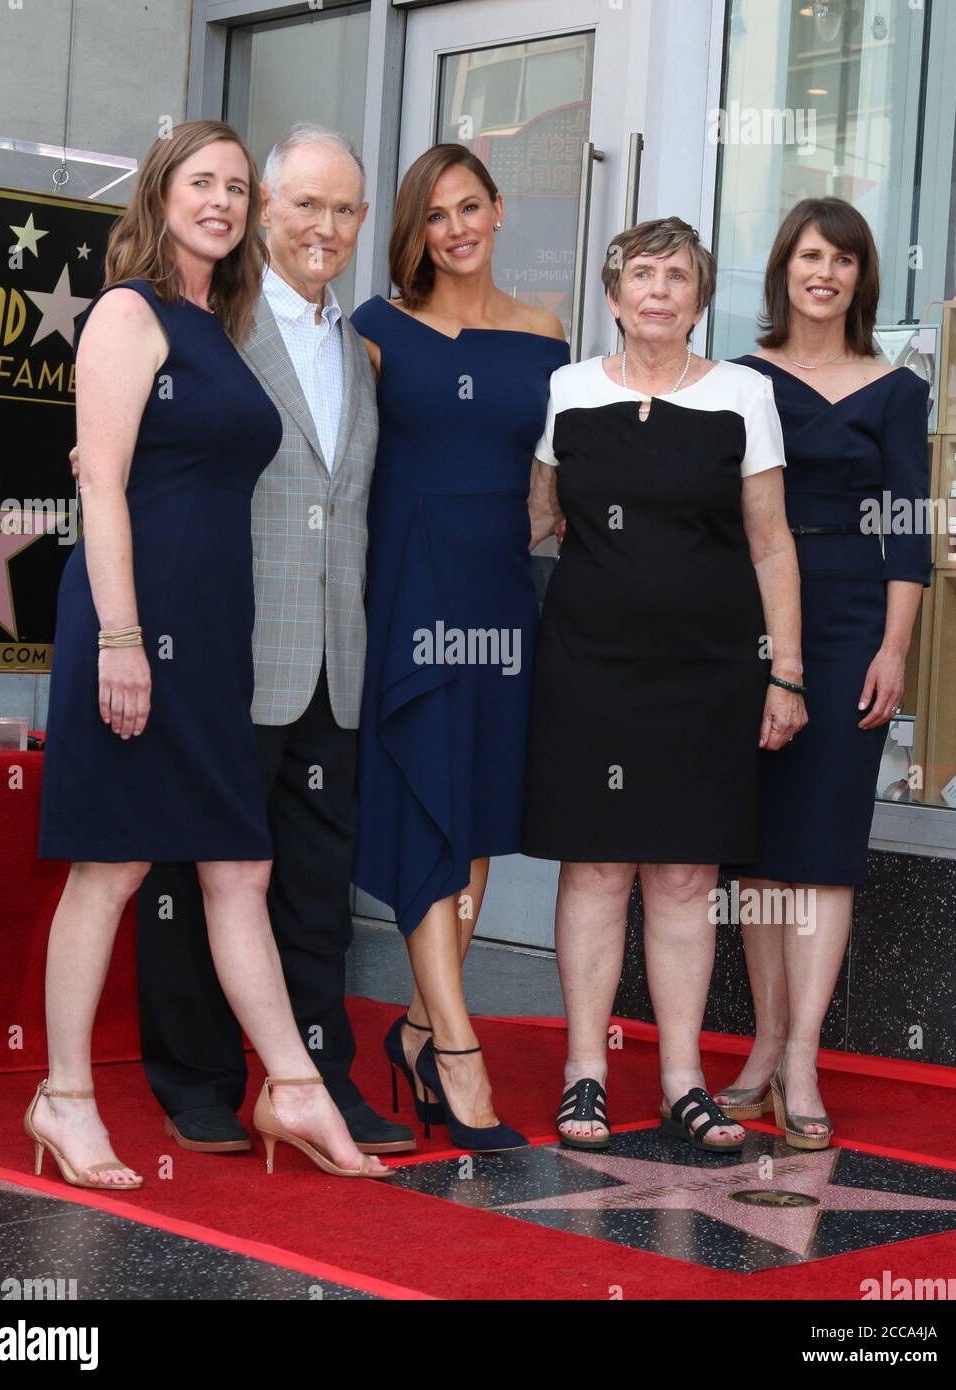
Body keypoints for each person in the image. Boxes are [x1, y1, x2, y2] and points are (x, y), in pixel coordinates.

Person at [34, 119, 390, 1187]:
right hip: (133, 627)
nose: (223, 203)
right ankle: (63, 1096)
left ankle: (291, 1085)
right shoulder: (129, 313)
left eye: (237, 187)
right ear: (160, 193)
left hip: (216, 638)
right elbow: (99, 483)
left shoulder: (221, 321)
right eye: (204, 183)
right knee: (112, 867)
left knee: (241, 864)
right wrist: (122, 637)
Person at [129, 124, 413, 1158]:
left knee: (312, 894)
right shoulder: (213, 328)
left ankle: (316, 1078)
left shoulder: (360, 347)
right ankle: (195, 1080)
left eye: (343, 210)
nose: (323, 228)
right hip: (226, 649)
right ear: (264, 211)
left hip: (334, 662)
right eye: (302, 205)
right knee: (192, 876)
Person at [522, 218, 806, 1152]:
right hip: (590, 668)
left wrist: (786, 672)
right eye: (640, 275)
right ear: (612, 297)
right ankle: (585, 1076)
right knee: (597, 866)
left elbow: (770, 540)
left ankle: (684, 1081)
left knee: (685, 872)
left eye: (676, 277)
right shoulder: (567, 390)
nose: (657, 291)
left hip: (710, 672)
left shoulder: (742, 394)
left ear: (698, 297)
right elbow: (541, 519)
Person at [350, 144, 570, 1152]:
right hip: (407, 586)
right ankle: (456, 1049)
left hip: (497, 591)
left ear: (496, 209)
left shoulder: (545, 331)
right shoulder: (376, 332)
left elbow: (549, 473)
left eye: (469, 206)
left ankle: (415, 1030)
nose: (454, 228)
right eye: (433, 214)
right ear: (413, 230)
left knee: (472, 813)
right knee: (428, 807)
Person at [713, 198, 931, 1149]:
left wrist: (895, 650)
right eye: (810, 255)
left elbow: (910, 535)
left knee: (827, 843)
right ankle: (760, 1048)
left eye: (844, 260)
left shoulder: (896, 389)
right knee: (757, 845)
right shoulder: (740, 379)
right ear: (784, 269)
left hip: (850, 623)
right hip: (754, 620)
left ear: (860, 278)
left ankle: (802, 1055)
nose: (826, 273)